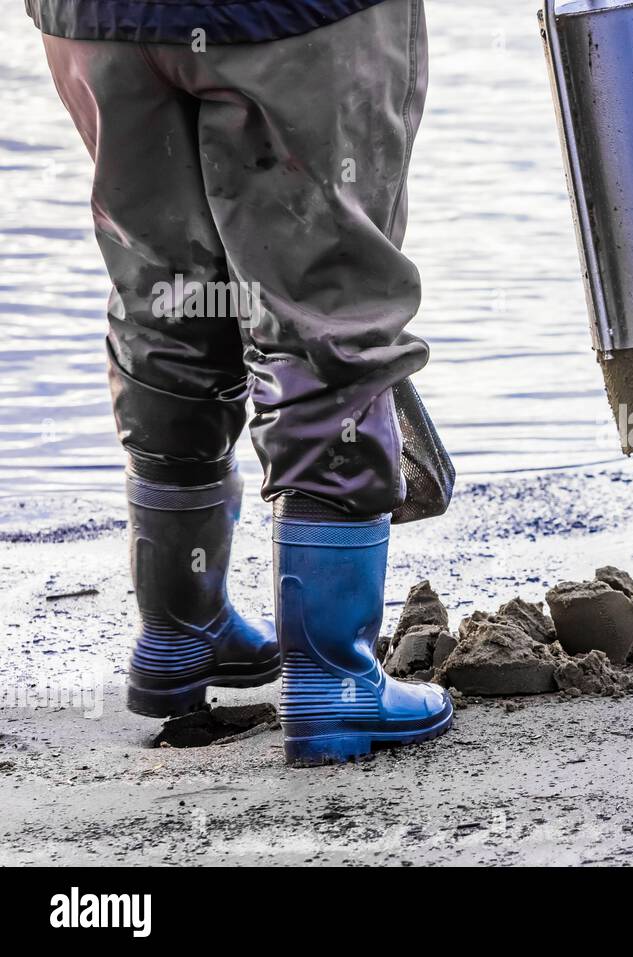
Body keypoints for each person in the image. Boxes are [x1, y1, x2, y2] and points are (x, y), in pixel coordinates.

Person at [25, 0, 453, 765]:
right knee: (327, 312)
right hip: (292, 19)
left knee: (164, 301)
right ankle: (331, 676)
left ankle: (178, 630)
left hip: (95, 18)